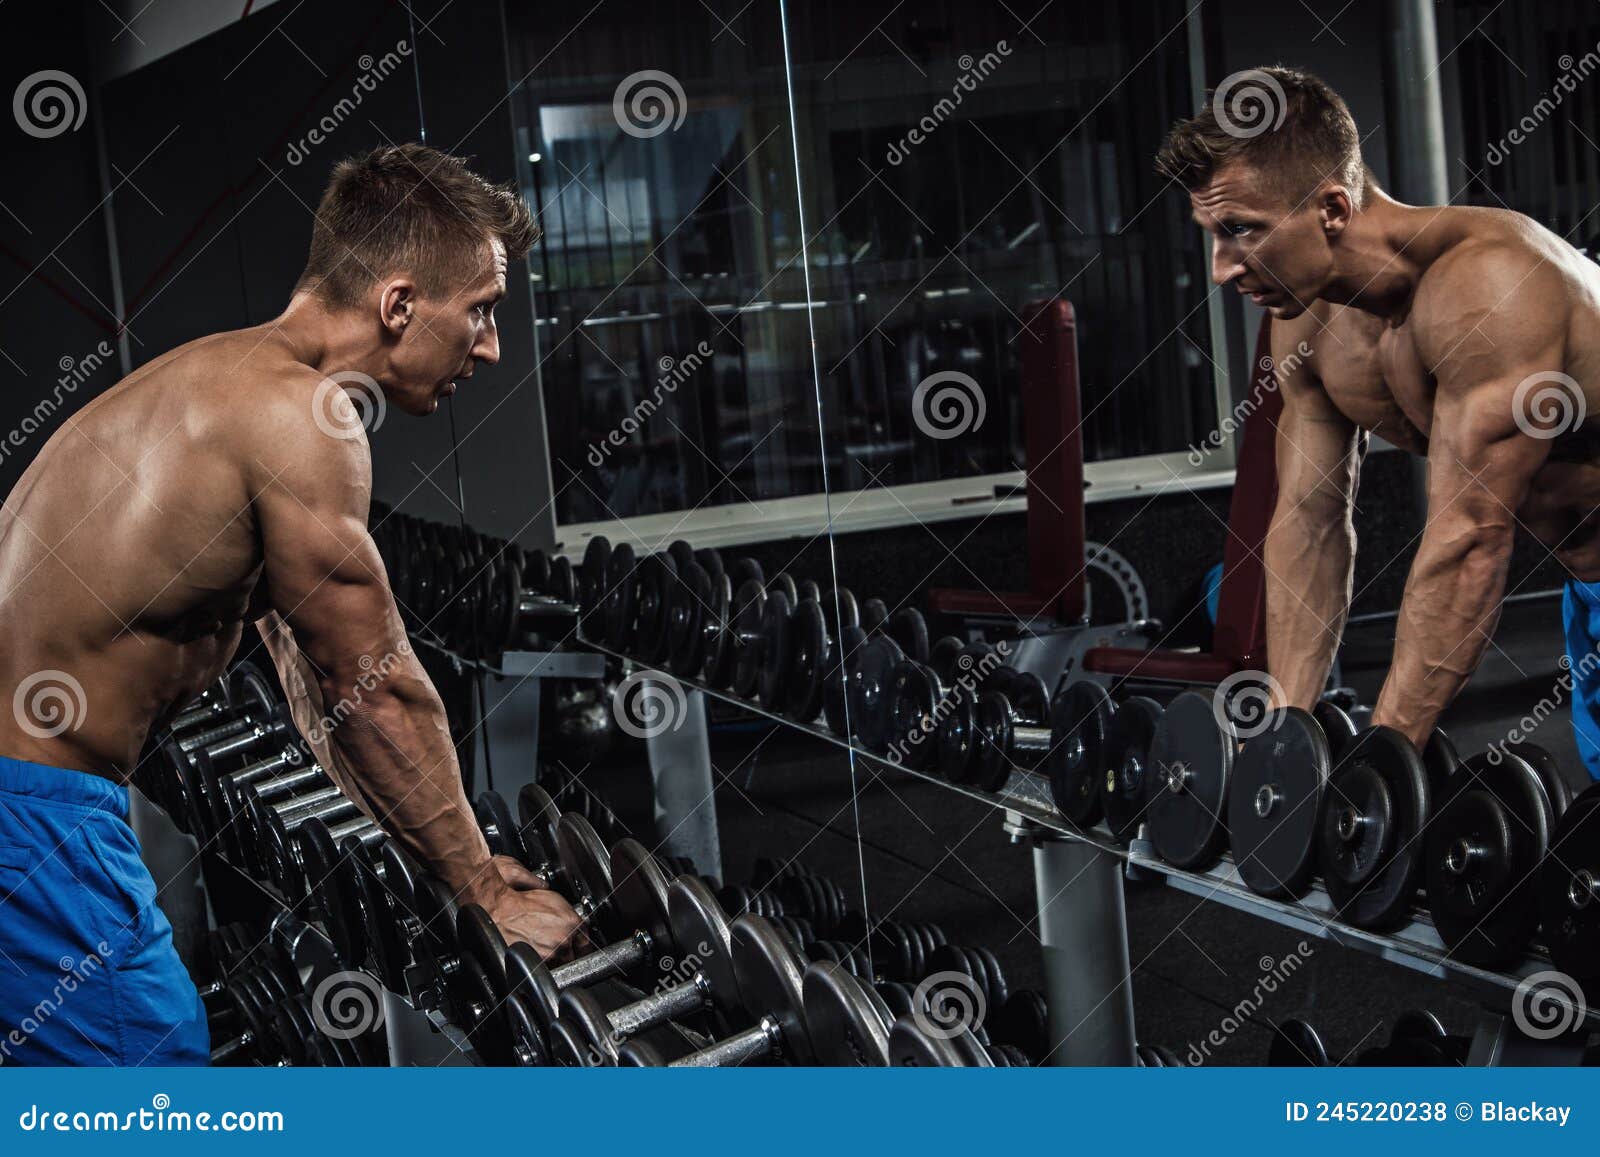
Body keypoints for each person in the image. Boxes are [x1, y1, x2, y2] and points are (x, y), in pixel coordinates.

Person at [0, 143, 585, 1066]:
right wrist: (483, 891)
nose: (491, 345)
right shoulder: (305, 420)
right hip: (30, 809)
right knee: (150, 1071)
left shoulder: (219, 382)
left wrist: (451, 860)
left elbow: (326, 695)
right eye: (480, 312)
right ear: (399, 305)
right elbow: (378, 687)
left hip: (33, 795)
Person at [1155, 66, 1600, 773]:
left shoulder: (1490, 291)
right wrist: (1286, 745)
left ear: (1333, 207)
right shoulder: (1305, 329)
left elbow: (1469, 542)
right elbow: (1309, 523)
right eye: (1212, 233)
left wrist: (1383, 761)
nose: (1221, 268)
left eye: (1241, 230)